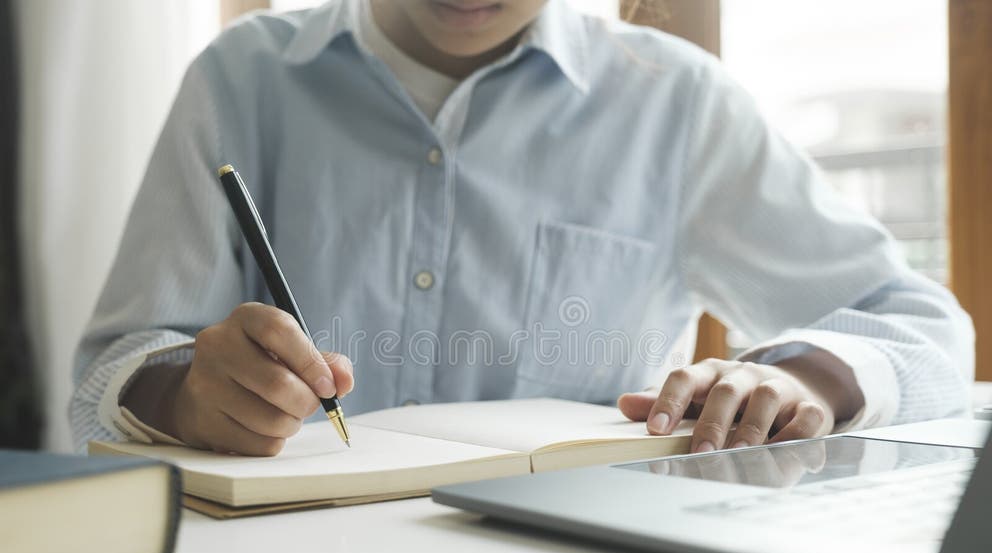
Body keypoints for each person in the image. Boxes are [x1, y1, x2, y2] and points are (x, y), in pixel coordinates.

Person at [71, 0, 974, 457]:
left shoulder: (678, 106)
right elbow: (103, 379)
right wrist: (183, 393)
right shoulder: (241, 79)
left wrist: (799, 377)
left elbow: (923, 323)